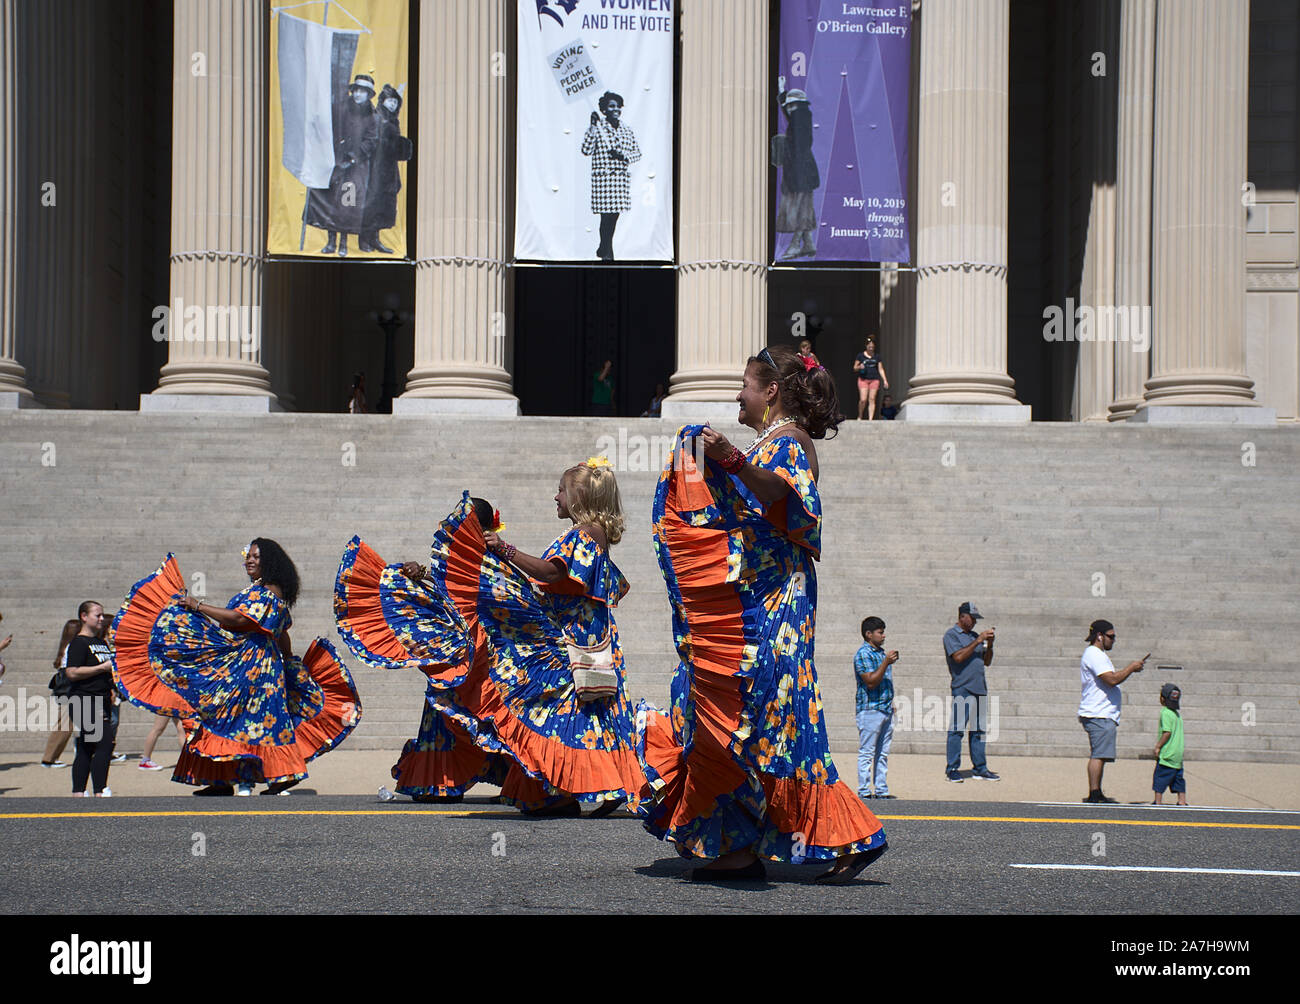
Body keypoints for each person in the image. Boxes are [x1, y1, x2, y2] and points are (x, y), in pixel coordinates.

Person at [636, 343, 888, 883]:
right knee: (752, 716)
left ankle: (794, 839)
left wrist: (727, 457)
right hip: (762, 601)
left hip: (776, 610)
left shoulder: (789, 442)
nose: (737, 395)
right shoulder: (772, 442)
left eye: (745, 386)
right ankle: (749, 841)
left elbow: (780, 491)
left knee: (762, 715)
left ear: (771, 391)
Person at [112, 539, 362, 796]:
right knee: (232, 720)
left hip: (256, 668)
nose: (249, 560)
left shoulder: (268, 592)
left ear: (270, 561)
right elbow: (280, 631)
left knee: (247, 721)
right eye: (248, 556)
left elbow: (241, 618)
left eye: (255, 556)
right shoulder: (263, 590)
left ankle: (280, 776)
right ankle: (224, 780)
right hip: (245, 663)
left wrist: (197, 605)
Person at [334, 498, 510, 805]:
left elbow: (497, 596)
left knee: (482, 713)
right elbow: (447, 589)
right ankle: (438, 782)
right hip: (451, 651)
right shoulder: (454, 555)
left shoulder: (494, 558)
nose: (455, 523)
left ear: (479, 527)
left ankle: (509, 775)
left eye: (464, 519)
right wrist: (421, 573)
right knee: (442, 709)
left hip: (483, 652)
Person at [305, 74, 379, 257]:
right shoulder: (340, 108)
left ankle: (343, 243)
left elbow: (372, 140)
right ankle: (331, 242)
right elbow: (328, 127)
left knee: (348, 203)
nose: (358, 94)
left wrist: (354, 157)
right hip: (335, 163)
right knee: (330, 201)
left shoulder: (372, 116)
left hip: (356, 167)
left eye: (363, 92)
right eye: (356, 90)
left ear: (369, 95)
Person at [1078, 619, 1146, 803]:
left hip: (1100, 712)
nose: (1113, 640)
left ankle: (1096, 791)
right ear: (1099, 636)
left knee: (1100, 754)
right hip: (1098, 712)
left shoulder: (1096, 654)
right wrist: (1131, 667)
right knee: (1098, 755)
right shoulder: (1094, 654)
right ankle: (1093, 793)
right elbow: (1112, 679)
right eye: (1111, 636)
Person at [582, 91, 641, 261]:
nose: (615, 109)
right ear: (604, 109)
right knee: (606, 216)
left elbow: (637, 153)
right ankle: (607, 252)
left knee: (613, 217)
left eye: (618, 106)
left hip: (620, 181)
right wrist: (592, 126)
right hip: (604, 180)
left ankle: (604, 246)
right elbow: (586, 150)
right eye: (611, 106)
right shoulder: (599, 128)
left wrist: (622, 155)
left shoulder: (627, 130)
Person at [65, 602, 116, 796]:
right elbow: (72, 672)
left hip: (100, 698)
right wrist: (102, 668)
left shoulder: (101, 643)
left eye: (103, 615)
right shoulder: (79, 642)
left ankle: (78, 791)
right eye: (98, 615)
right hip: (84, 699)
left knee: (87, 746)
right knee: (105, 742)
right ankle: (100, 790)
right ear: (84, 617)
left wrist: (110, 687)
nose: (102, 619)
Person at [943, 602, 999, 782]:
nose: (974, 622)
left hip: (979, 688)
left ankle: (980, 768)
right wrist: (978, 640)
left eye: (976, 619)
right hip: (963, 687)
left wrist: (989, 645)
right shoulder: (952, 635)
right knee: (957, 729)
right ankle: (952, 768)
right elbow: (958, 657)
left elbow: (987, 662)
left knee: (978, 731)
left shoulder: (975, 636)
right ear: (962, 616)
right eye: (972, 618)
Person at [360, 84, 412, 253]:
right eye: (390, 101)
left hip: (387, 168)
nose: (392, 105)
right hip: (375, 168)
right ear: (383, 101)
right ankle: (365, 239)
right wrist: (402, 145)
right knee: (372, 202)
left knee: (383, 203)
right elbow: (378, 142)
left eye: (395, 102)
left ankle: (374, 238)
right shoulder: (378, 117)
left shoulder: (391, 118)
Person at [775, 77, 819, 260]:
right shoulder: (799, 116)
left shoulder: (800, 117)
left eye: (790, 104)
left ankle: (795, 245)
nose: (789, 108)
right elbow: (786, 110)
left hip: (802, 174)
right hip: (803, 174)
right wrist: (782, 89)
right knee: (805, 208)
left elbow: (799, 147)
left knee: (801, 209)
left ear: (797, 105)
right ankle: (808, 244)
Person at [855, 616, 898, 799]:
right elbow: (871, 682)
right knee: (867, 752)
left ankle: (881, 789)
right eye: (880, 632)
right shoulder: (863, 654)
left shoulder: (881, 654)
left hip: (885, 709)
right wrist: (886, 663)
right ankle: (864, 790)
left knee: (883, 753)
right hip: (869, 709)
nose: (884, 636)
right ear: (868, 634)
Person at [41, 618, 80, 768]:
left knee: (68, 723)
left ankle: (52, 757)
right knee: (65, 724)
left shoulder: (65, 647)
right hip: (70, 689)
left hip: (65, 688)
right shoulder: (73, 647)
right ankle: (49, 758)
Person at [1152, 683, 1187, 806]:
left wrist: (1158, 746)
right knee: (1178, 778)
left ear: (1162, 698)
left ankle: (1158, 801)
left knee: (1160, 777)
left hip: (1168, 753)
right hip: (1178, 754)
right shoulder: (1177, 714)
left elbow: (1167, 732)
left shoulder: (1165, 712)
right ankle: (1182, 801)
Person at [853, 337, 889, 420]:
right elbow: (854, 368)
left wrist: (885, 380)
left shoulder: (877, 357)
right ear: (866, 346)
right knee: (863, 399)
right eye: (869, 347)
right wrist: (859, 367)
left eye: (872, 347)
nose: (871, 348)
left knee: (872, 399)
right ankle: (860, 415)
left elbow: (880, 369)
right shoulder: (860, 356)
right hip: (863, 379)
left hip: (874, 379)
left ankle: (870, 419)